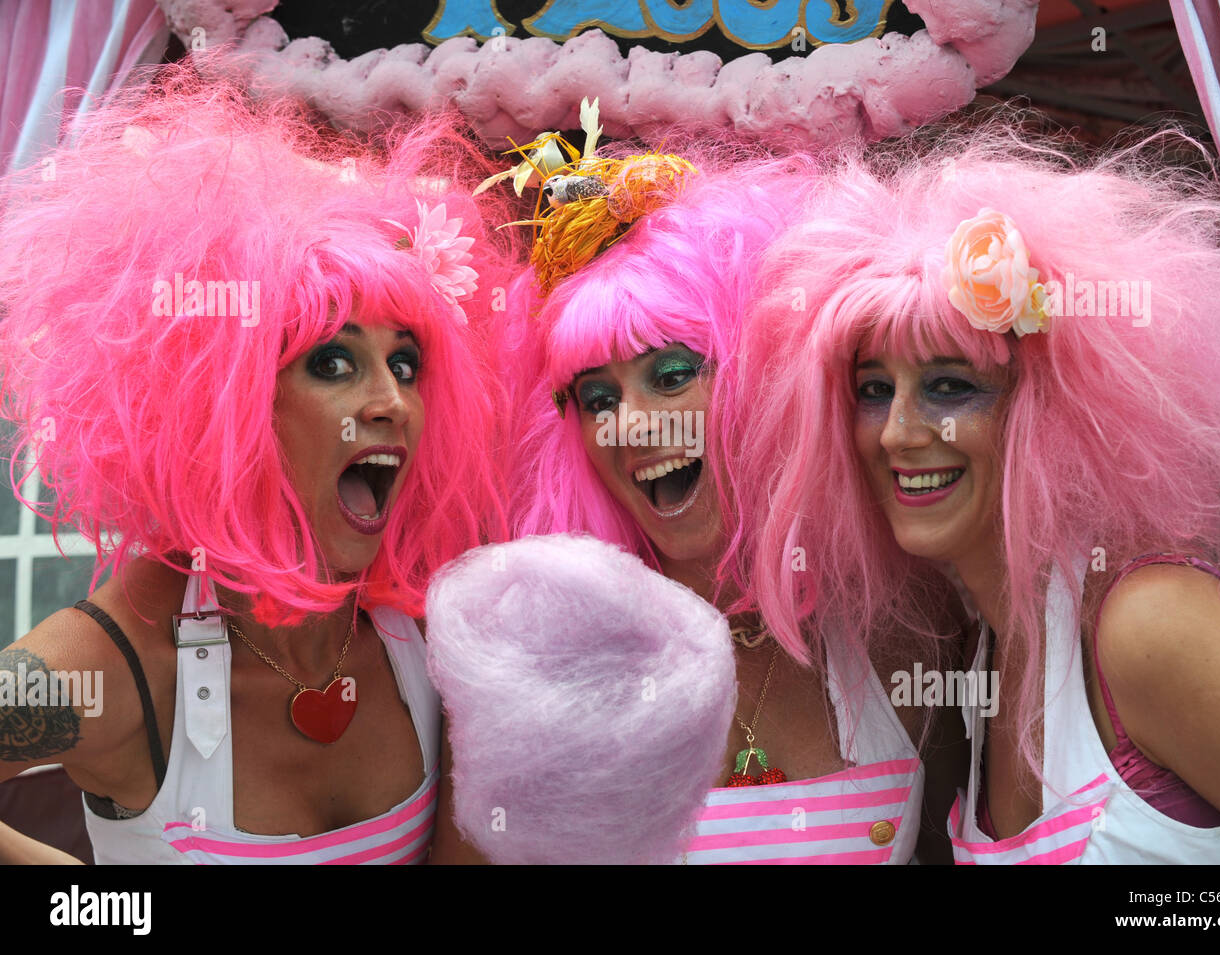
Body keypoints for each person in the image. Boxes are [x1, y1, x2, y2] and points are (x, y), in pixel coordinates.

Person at [746, 127, 1220, 863]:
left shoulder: (1148, 625)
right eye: (875, 390)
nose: (899, 433)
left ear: (1049, 409)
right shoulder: (989, 654)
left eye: (951, 386)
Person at [0, 71, 513, 863]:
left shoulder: (424, 641)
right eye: (334, 362)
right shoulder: (124, 658)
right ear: (230, 403)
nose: (390, 404)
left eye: (405, 365)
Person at [477, 136, 964, 865]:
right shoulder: (546, 671)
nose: (633, 424)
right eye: (598, 396)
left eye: (672, 375)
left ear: (763, 379)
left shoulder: (897, 629)